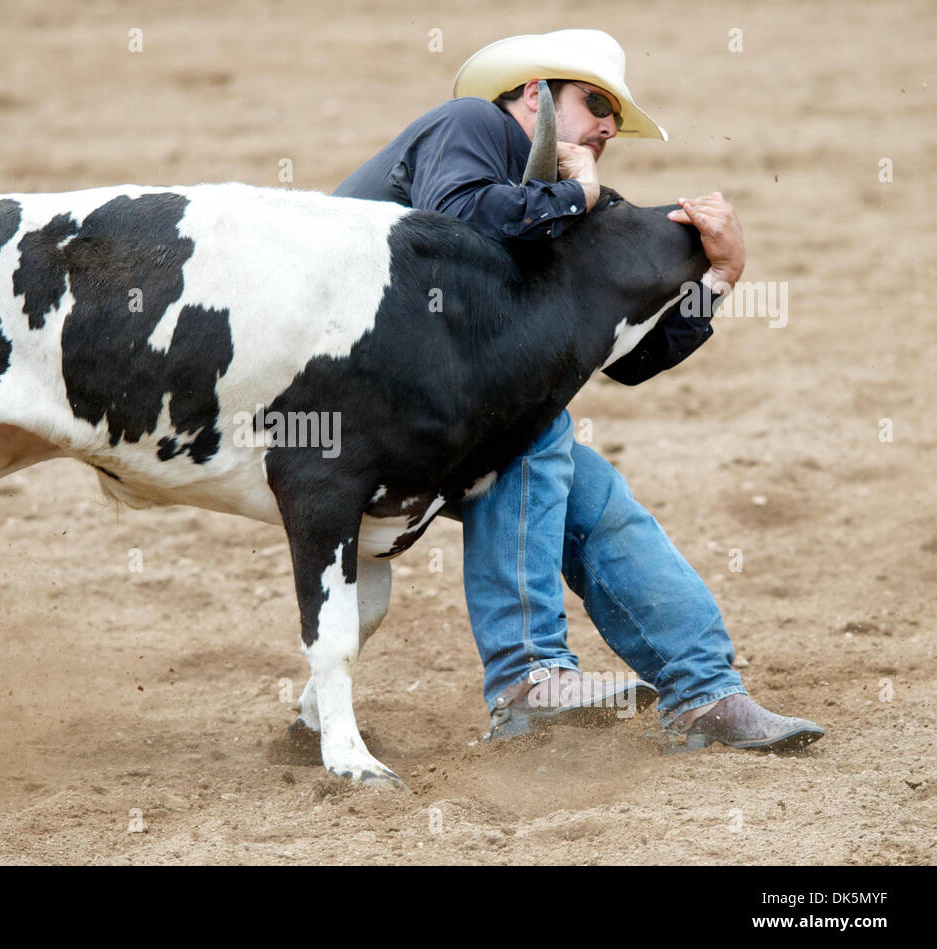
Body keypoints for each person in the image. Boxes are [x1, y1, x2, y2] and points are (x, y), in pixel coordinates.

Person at [333, 29, 823, 752]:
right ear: (534, 94)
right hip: (353, 393)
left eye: (615, 119)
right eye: (595, 102)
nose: (607, 125)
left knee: (593, 499)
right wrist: (583, 190)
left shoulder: (540, 205)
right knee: (536, 437)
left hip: (421, 401)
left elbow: (625, 360)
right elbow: (454, 223)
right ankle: (528, 677)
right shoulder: (473, 126)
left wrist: (719, 280)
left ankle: (704, 694)